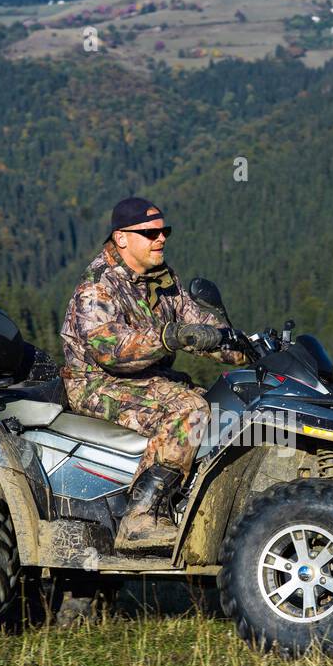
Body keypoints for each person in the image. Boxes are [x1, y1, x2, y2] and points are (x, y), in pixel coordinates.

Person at [60, 197, 244, 551]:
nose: (161, 238)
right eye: (150, 232)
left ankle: (189, 504)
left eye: (164, 231)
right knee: (189, 410)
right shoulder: (98, 286)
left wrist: (243, 346)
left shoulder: (161, 279)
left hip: (145, 378)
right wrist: (169, 336)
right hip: (97, 383)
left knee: (224, 404)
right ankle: (140, 518)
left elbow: (198, 324)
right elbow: (109, 350)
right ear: (122, 238)